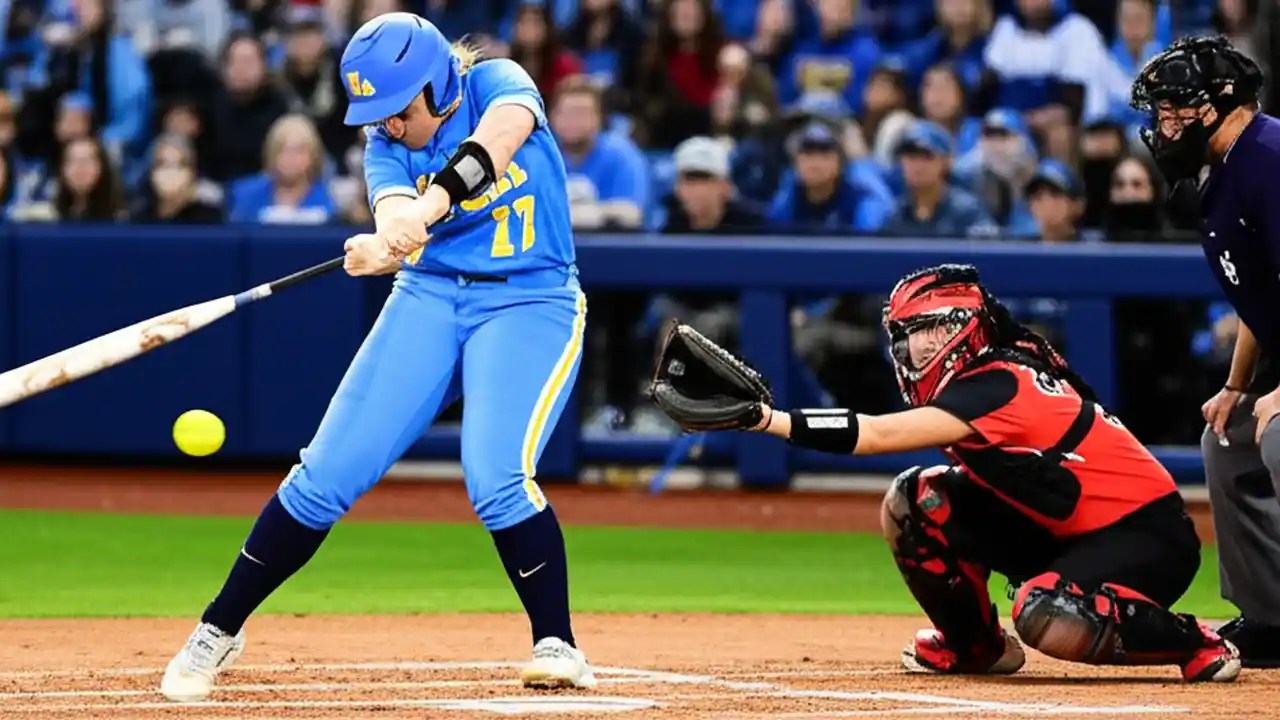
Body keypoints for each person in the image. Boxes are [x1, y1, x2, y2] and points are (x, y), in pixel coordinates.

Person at [160, 12, 594, 701]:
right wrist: (387, 237)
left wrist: (422, 217)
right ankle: (219, 627)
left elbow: (496, 144)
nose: (388, 125)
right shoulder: (383, 144)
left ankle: (558, 644)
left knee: (495, 475)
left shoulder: (496, 84)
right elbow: (394, 209)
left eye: (398, 110)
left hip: (529, 300)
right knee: (325, 472)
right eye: (378, 115)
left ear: (435, 82)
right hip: (428, 296)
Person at [649, 263, 1241, 683]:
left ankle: (1194, 641)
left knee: (1044, 611)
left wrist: (765, 420)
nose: (907, 349)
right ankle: (974, 647)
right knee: (917, 500)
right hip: (1066, 530)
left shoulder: (999, 380)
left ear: (956, 328)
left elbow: (875, 435)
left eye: (918, 333)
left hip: (1148, 538)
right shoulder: (982, 380)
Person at [1129, 34, 1280, 668]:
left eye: (1174, 110)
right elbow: (1262, 294)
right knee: (1228, 439)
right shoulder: (1225, 168)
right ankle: (1273, 617)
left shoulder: (1271, 158)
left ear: (1222, 106)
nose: (1162, 126)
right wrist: (1240, 384)